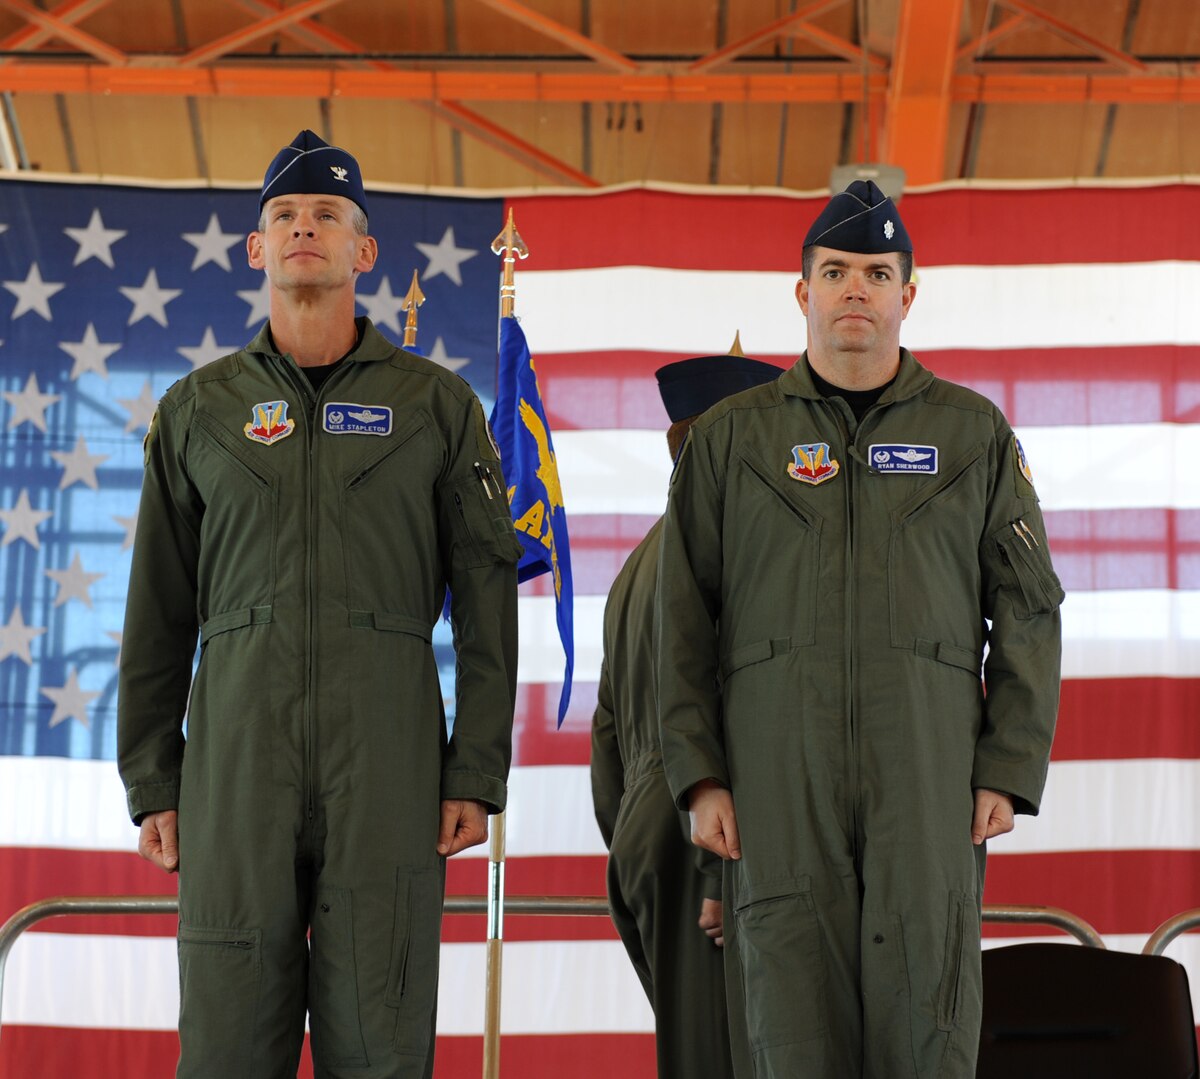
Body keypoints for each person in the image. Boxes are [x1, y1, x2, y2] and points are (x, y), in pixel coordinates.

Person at [117, 130, 521, 1079]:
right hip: (235, 770)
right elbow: (157, 611)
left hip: (387, 768)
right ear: (255, 247)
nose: (306, 228)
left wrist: (475, 768)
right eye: (286, 215)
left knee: (381, 1048)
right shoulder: (198, 411)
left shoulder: (437, 407)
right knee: (226, 1049)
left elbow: (487, 597)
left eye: (328, 214)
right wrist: (154, 777)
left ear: (362, 249)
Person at [654, 180, 1063, 1078]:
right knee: (792, 1031)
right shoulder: (730, 441)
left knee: (927, 1027)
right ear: (803, 291)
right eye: (836, 271)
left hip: (928, 779)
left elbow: (1028, 604)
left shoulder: (973, 435)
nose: (855, 289)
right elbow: (679, 619)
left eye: (877, 274)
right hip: (775, 782)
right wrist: (700, 773)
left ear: (907, 295)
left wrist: (1008, 763)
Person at [591, 346, 781, 1079]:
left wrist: (638, 852)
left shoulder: (638, 564)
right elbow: (729, 706)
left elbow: (608, 745)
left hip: (649, 843)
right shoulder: (740, 547)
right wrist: (718, 873)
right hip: (718, 854)